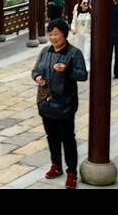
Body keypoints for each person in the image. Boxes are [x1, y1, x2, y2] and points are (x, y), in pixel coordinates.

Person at [32, 18, 88, 189]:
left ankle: (71, 172)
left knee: (68, 138)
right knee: (52, 137)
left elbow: (83, 75)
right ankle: (56, 165)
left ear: (64, 34)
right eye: (50, 34)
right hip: (45, 102)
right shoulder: (45, 52)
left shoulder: (74, 53)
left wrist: (68, 70)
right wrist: (38, 78)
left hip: (65, 103)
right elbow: (35, 70)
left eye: (56, 33)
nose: (53, 37)